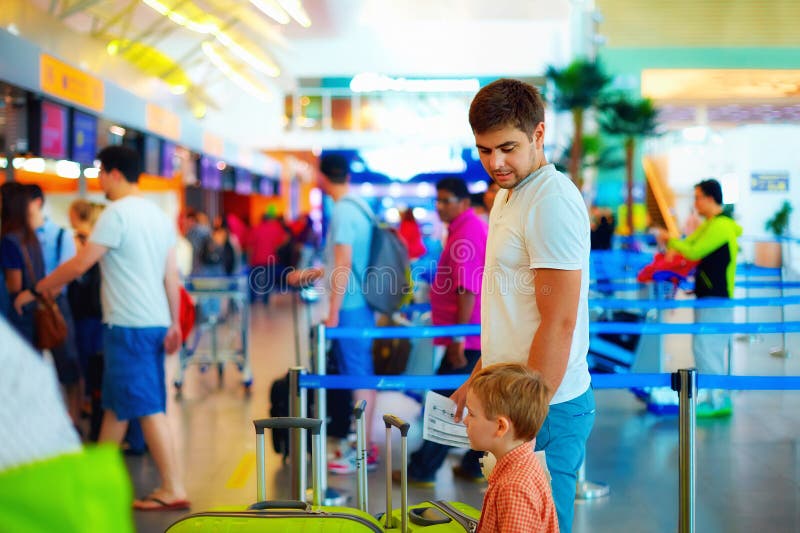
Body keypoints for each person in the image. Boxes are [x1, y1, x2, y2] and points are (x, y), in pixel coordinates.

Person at [452, 78, 594, 533]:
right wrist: (480, 378)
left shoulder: (550, 201)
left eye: (508, 148)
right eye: (484, 150)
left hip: (544, 407)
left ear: (538, 134)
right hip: (516, 401)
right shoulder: (509, 197)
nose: (495, 162)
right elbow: (510, 309)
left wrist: (525, 424)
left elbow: (559, 321)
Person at [14, 145, 188, 511]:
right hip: (152, 322)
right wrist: (173, 322)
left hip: (128, 326)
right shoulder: (157, 216)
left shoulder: (116, 214)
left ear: (114, 173)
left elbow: (80, 265)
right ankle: (90, 487)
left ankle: (172, 487)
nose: (98, 180)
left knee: (146, 406)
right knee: (116, 408)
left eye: (99, 173)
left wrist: (36, 290)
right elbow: (170, 276)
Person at [287, 153, 378, 474]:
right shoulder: (360, 206)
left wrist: (334, 313)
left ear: (322, 176)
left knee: (358, 377)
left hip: (350, 307)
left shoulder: (341, 211)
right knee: (361, 374)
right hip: (362, 303)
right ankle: (364, 446)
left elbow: (342, 265)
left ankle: (363, 452)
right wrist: (310, 275)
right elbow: (342, 263)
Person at [396, 177, 487, 487]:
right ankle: (475, 465)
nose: (440, 206)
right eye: (438, 200)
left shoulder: (468, 232)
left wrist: (458, 337)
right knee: (475, 401)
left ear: (463, 202)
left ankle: (424, 469)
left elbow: (467, 288)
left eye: (446, 200)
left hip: (467, 336)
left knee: (446, 403)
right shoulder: (461, 229)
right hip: (470, 333)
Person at [656, 178, 742, 417]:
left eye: (697, 197)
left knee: (708, 348)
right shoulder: (713, 224)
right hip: (708, 296)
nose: (694, 202)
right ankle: (713, 398)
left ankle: (718, 402)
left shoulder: (722, 225)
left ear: (709, 197)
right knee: (703, 347)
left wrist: (669, 240)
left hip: (718, 298)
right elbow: (695, 247)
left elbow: (694, 249)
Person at [464, 363, 558, 533]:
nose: (465, 421)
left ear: (500, 427)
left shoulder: (514, 489)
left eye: (471, 414)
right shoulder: (519, 456)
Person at [27, 184, 83, 426]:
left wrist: (39, 294)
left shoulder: (61, 235)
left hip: (55, 307)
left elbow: (67, 273)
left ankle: (73, 419)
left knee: (68, 363)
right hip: (30, 308)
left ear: (37, 202)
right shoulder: (17, 238)